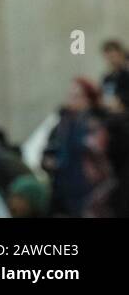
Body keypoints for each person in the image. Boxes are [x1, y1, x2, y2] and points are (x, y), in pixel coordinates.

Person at [43, 77, 116, 217]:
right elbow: (50, 149)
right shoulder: (63, 123)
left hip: (88, 190)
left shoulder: (95, 123)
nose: (71, 100)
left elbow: (98, 153)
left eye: (77, 96)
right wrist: (48, 160)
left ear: (88, 99)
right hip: (63, 188)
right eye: (70, 95)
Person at [101, 39, 129, 112]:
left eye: (113, 56)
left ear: (120, 54)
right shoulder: (107, 78)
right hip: (110, 112)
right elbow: (105, 96)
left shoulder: (126, 75)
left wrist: (120, 101)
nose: (111, 60)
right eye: (108, 57)